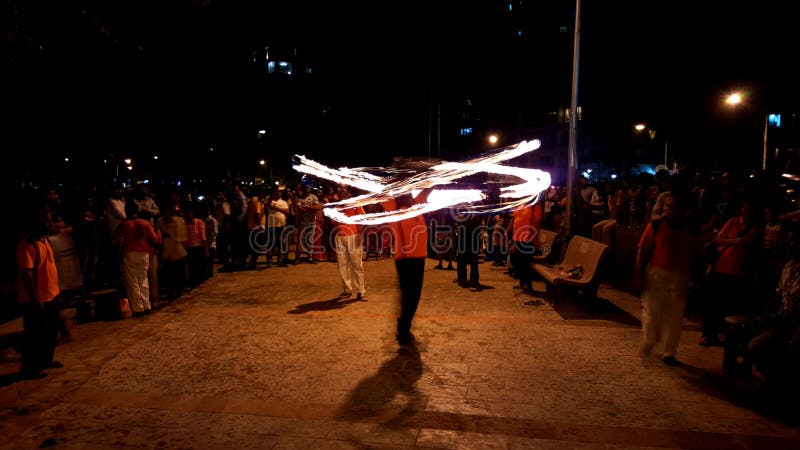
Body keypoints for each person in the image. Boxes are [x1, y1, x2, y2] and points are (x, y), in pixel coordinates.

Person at [635, 192, 702, 366]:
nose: (670, 212)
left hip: (680, 275)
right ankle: (650, 340)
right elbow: (643, 250)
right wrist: (638, 274)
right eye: (668, 208)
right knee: (652, 309)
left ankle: (669, 351)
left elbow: (696, 252)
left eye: (674, 208)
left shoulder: (691, 229)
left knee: (675, 314)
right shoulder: (656, 225)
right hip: (657, 272)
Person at [16, 207, 62, 380]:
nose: (49, 223)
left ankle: (45, 360)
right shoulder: (27, 244)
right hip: (35, 298)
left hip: (51, 294)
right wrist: (35, 299)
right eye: (46, 221)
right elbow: (26, 273)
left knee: (49, 331)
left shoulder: (43, 239)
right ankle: (28, 367)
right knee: (33, 334)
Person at [384, 188, 433, 345]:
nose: (408, 195)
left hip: (419, 257)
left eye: (409, 192)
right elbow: (377, 194)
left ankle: (404, 326)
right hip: (404, 259)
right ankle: (403, 329)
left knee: (415, 296)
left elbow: (428, 188)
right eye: (404, 192)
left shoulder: (416, 204)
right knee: (408, 296)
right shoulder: (392, 207)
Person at [333, 186, 367, 299]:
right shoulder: (337, 206)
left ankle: (360, 291)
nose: (340, 190)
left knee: (357, 264)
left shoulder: (354, 204)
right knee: (342, 265)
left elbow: (361, 220)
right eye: (339, 188)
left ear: (348, 191)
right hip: (340, 236)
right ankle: (347, 289)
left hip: (353, 235)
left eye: (343, 188)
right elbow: (334, 222)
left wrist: (360, 235)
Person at [508, 201, 544, 295]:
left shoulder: (535, 204)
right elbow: (515, 218)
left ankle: (527, 284)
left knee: (524, 261)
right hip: (517, 236)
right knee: (515, 259)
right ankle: (523, 281)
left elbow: (537, 220)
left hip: (527, 237)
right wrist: (510, 235)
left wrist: (533, 238)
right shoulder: (521, 203)